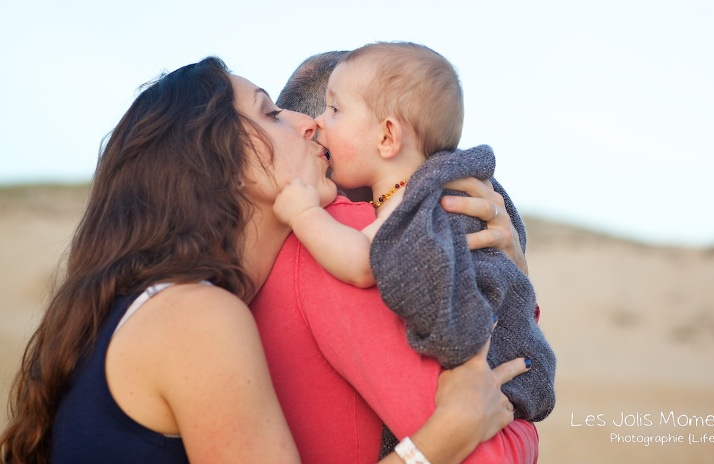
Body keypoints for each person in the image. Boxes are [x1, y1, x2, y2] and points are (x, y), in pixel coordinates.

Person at [0, 57, 531, 464]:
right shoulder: (193, 315)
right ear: (220, 160)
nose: (308, 124)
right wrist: (448, 432)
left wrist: (511, 265)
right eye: (270, 113)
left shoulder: (170, 307)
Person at [250, 47, 545, 463]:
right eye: (270, 115)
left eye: (337, 111)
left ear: (386, 137)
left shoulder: (405, 208)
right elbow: (490, 454)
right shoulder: (339, 230)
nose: (318, 125)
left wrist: (511, 265)